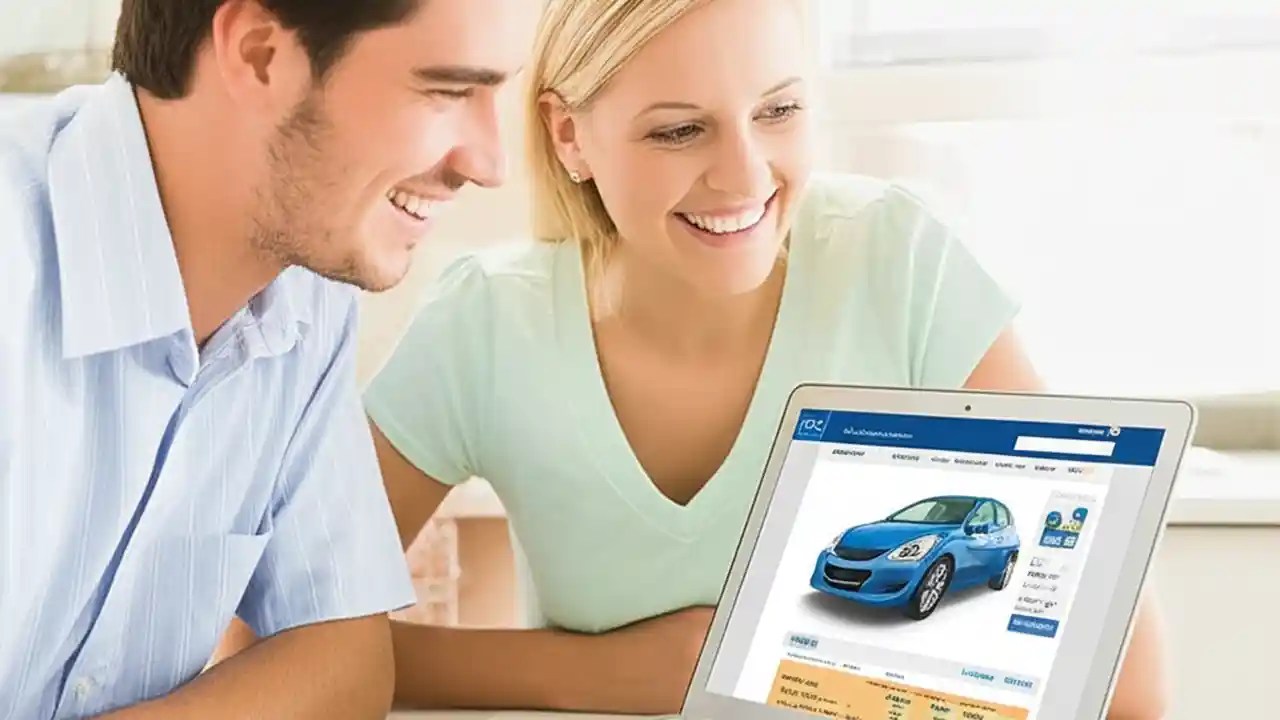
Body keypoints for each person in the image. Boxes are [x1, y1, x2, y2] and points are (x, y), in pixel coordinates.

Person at [366, 0, 1170, 717]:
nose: (745, 176)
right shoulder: (488, 323)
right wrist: (595, 673)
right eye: (680, 129)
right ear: (568, 133)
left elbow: (1121, 672)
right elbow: (296, 634)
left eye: (778, 109)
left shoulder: (894, 261)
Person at [0, 0, 533, 717]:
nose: (490, 162)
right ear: (259, 55)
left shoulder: (306, 298)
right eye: (446, 90)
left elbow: (342, 657)